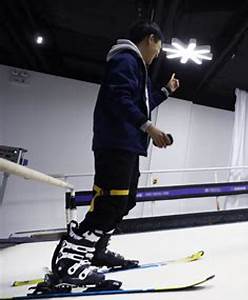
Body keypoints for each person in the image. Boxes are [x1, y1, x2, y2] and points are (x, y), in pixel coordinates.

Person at [50, 20, 180, 286]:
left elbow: (140, 104)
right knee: (110, 202)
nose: (158, 54)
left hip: (129, 144)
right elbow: (118, 98)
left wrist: (165, 91)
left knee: (125, 201)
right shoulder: (125, 59)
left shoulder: (137, 68)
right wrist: (150, 128)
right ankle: (69, 260)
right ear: (150, 39)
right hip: (116, 143)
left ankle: (96, 251)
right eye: (159, 48)